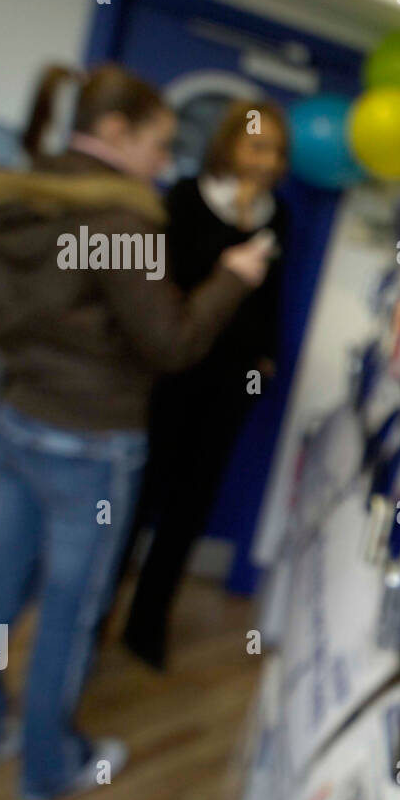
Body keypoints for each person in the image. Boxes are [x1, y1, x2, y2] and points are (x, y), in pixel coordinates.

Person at [0, 64, 273, 800]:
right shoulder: (120, 221)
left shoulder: (21, 195)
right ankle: (50, 768)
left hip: (21, 421)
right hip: (91, 444)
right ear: (114, 133)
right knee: (71, 615)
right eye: (158, 144)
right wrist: (234, 273)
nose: (165, 164)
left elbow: (29, 305)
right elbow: (171, 342)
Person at [121, 99, 290, 670]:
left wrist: (264, 357)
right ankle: (94, 614)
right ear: (229, 145)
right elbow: (171, 285)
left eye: (276, 150)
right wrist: (235, 227)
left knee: (190, 507)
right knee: (136, 497)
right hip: (174, 372)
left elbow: (269, 297)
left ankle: (147, 625)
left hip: (230, 385)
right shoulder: (188, 198)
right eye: (256, 146)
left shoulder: (279, 216)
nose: (267, 161)